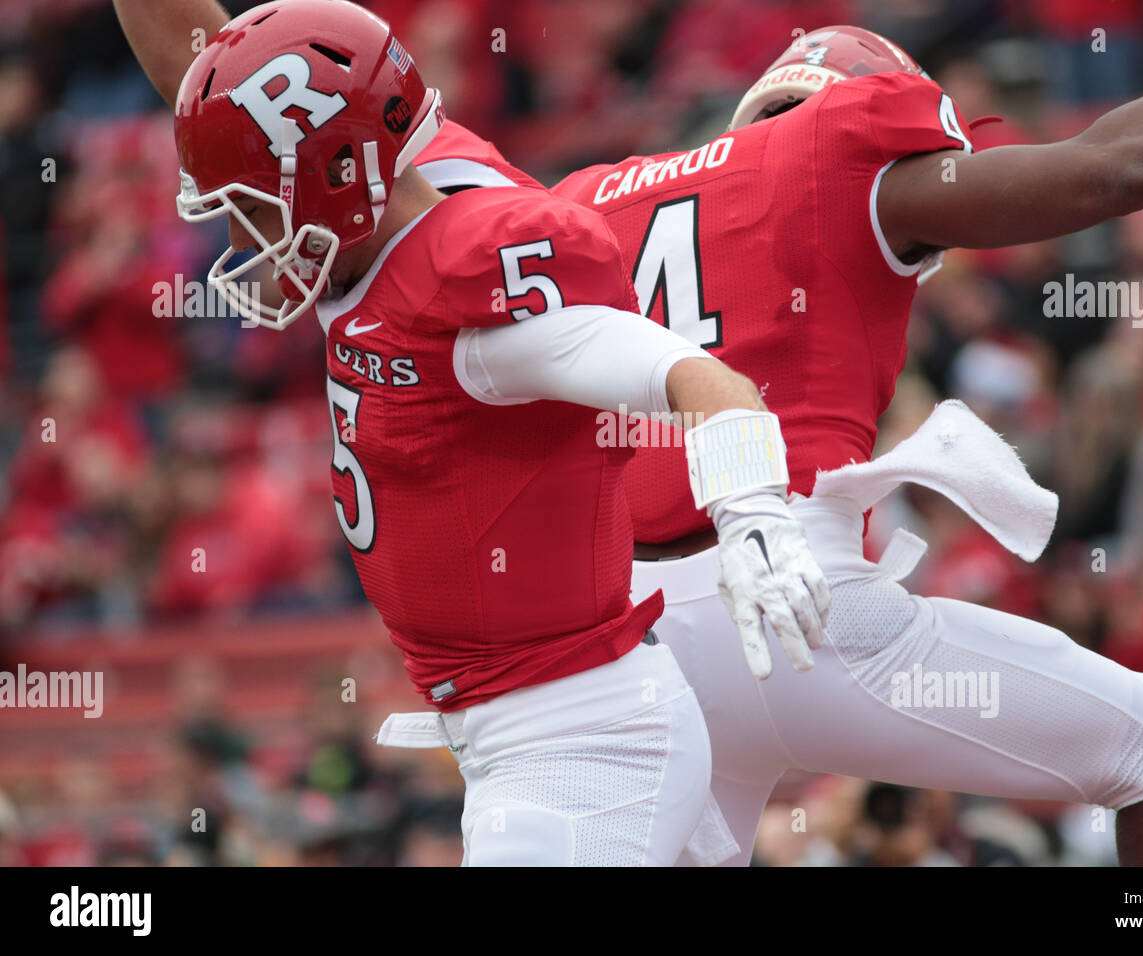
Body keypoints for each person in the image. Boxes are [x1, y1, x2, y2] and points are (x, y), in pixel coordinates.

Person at [542, 26, 1143, 865]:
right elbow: (1109, 168)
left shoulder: (588, 196)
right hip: (799, 597)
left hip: (633, 633)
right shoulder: (832, 154)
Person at [146, 0, 832, 865]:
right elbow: (207, 72)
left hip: (582, 739)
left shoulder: (478, 307)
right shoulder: (377, 195)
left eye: (254, 207)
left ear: (337, 178)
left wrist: (751, 508)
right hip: (525, 730)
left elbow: (706, 384)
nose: (244, 234)